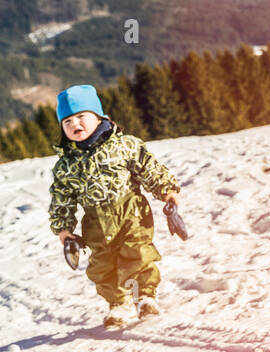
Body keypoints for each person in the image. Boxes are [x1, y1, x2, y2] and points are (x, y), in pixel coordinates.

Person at [48, 84, 182, 329]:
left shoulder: (124, 145)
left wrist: (167, 192)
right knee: (102, 265)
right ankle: (118, 303)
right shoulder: (66, 165)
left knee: (138, 254)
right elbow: (61, 198)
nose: (74, 124)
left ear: (98, 116)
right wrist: (63, 229)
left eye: (81, 116)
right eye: (67, 122)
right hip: (95, 222)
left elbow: (148, 168)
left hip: (131, 212)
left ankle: (144, 298)